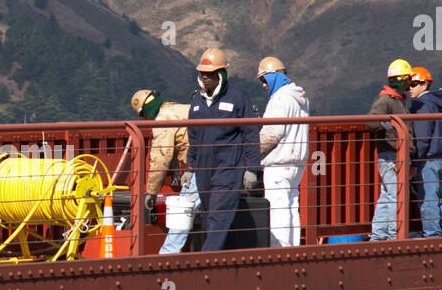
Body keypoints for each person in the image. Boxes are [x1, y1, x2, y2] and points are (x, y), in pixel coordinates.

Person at [186, 47, 260, 251]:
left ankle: (204, 262)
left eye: (211, 74)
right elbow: (192, 136)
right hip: (203, 170)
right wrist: (189, 167)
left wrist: (252, 168)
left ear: (221, 74)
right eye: (203, 74)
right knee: (211, 216)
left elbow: (250, 134)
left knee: (219, 215)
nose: (206, 78)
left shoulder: (237, 97)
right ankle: (232, 260)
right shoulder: (196, 102)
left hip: (228, 168)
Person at [132, 88, 197, 254]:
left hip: (199, 167)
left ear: (146, 112)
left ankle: (167, 255)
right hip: (220, 162)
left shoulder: (163, 119)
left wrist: (151, 193)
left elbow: (161, 158)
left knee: (182, 213)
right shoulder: (182, 108)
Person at [256, 57, 310, 247]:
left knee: (277, 209)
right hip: (297, 164)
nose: (263, 85)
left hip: (278, 164)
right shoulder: (301, 99)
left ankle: (279, 251)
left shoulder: (279, 99)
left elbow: (272, 133)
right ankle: (293, 249)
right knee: (291, 207)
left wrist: (252, 153)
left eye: (264, 80)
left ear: (272, 77)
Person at [368, 58, 414, 241]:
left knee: (387, 195)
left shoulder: (396, 100)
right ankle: (394, 236)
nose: (410, 85)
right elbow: (371, 121)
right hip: (391, 155)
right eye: (408, 80)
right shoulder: (386, 100)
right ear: (402, 79)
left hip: (394, 154)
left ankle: (379, 235)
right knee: (395, 195)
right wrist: (385, 125)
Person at [407, 66, 442, 237]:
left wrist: (413, 162)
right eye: (408, 85)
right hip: (440, 158)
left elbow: (422, 138)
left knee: (428, 200)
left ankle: (433, 236)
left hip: (427, 160)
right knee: (436, 198)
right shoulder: (436, 103)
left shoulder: (423, 105)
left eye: (413, 84)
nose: (410, 88)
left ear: (424, 84)